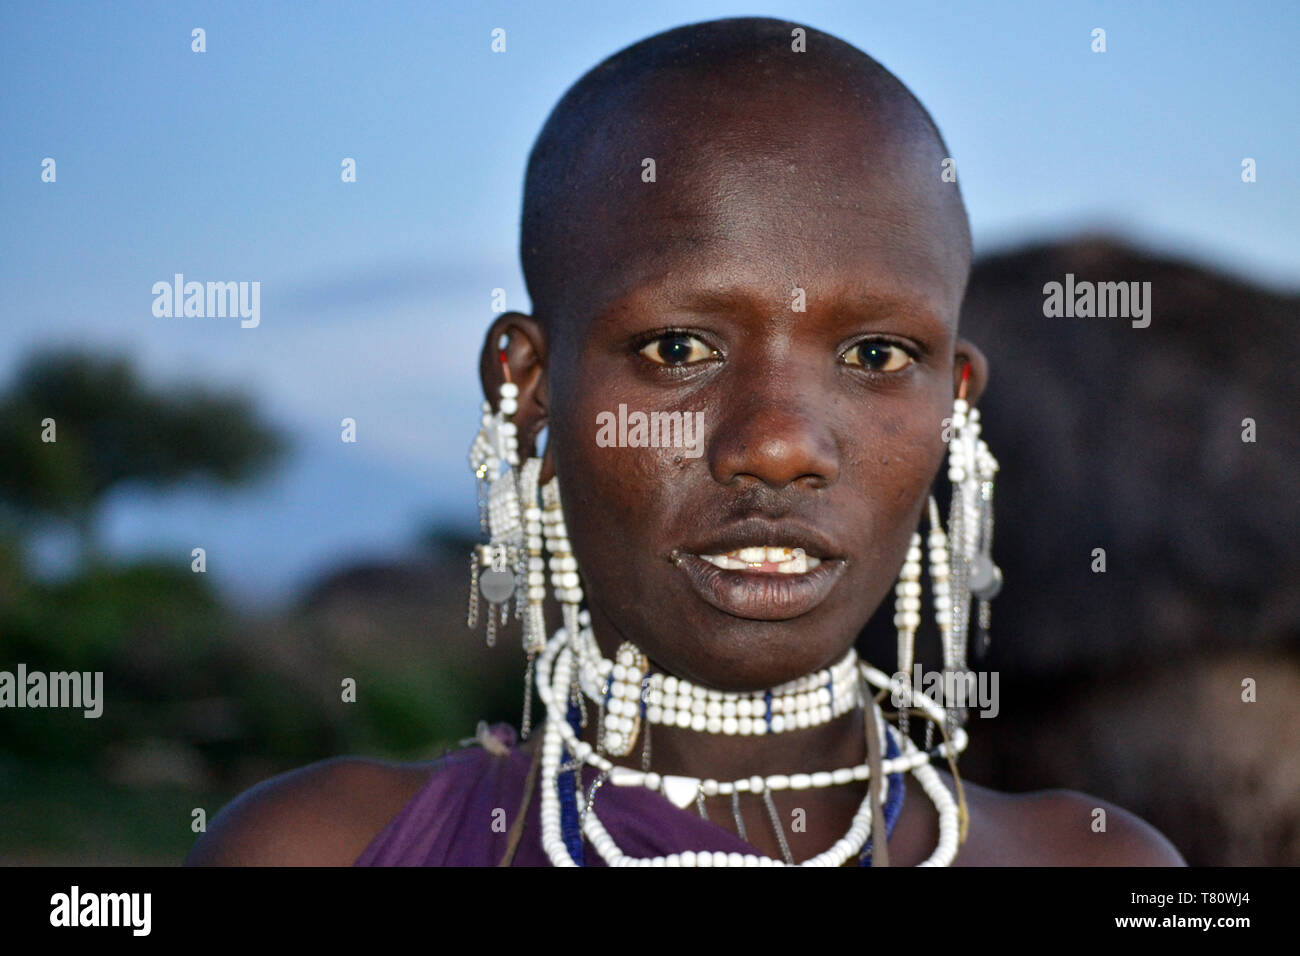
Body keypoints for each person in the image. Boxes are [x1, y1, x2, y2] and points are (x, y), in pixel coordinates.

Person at [186, 16, 1185, 867]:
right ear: (527, 385)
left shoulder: (1105, 864)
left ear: (952, 401)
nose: (782, 443)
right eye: (677, 345)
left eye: (877, 352)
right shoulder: (314, 847)